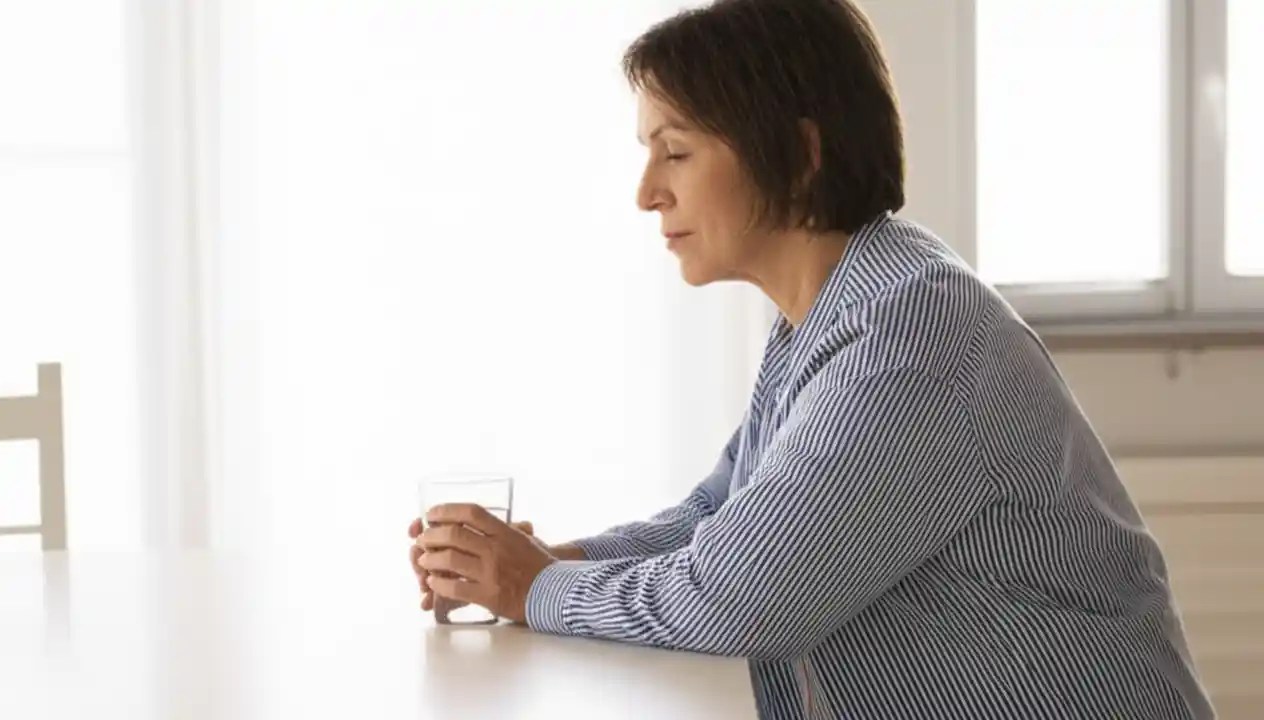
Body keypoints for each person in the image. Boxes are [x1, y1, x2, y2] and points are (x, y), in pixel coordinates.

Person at [410, 0, 1214, 717]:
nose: (647, 191)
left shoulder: (909, 340)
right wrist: (548, 559)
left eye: (676, 152)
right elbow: (716, 518)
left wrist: (531, 587)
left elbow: (736, 597)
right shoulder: (834, 310)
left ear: (798, 154)